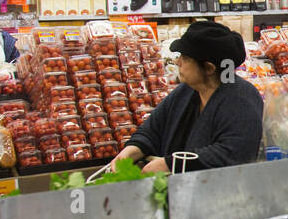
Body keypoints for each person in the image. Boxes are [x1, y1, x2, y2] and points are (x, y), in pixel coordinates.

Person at [113, 21, 263, 173]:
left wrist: (171, 164)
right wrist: (131, 151)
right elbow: (153, 129)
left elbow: (232, 153)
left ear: (209, 67)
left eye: (185, 58)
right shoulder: (187, 91)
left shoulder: (242, 100)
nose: (177, 62)